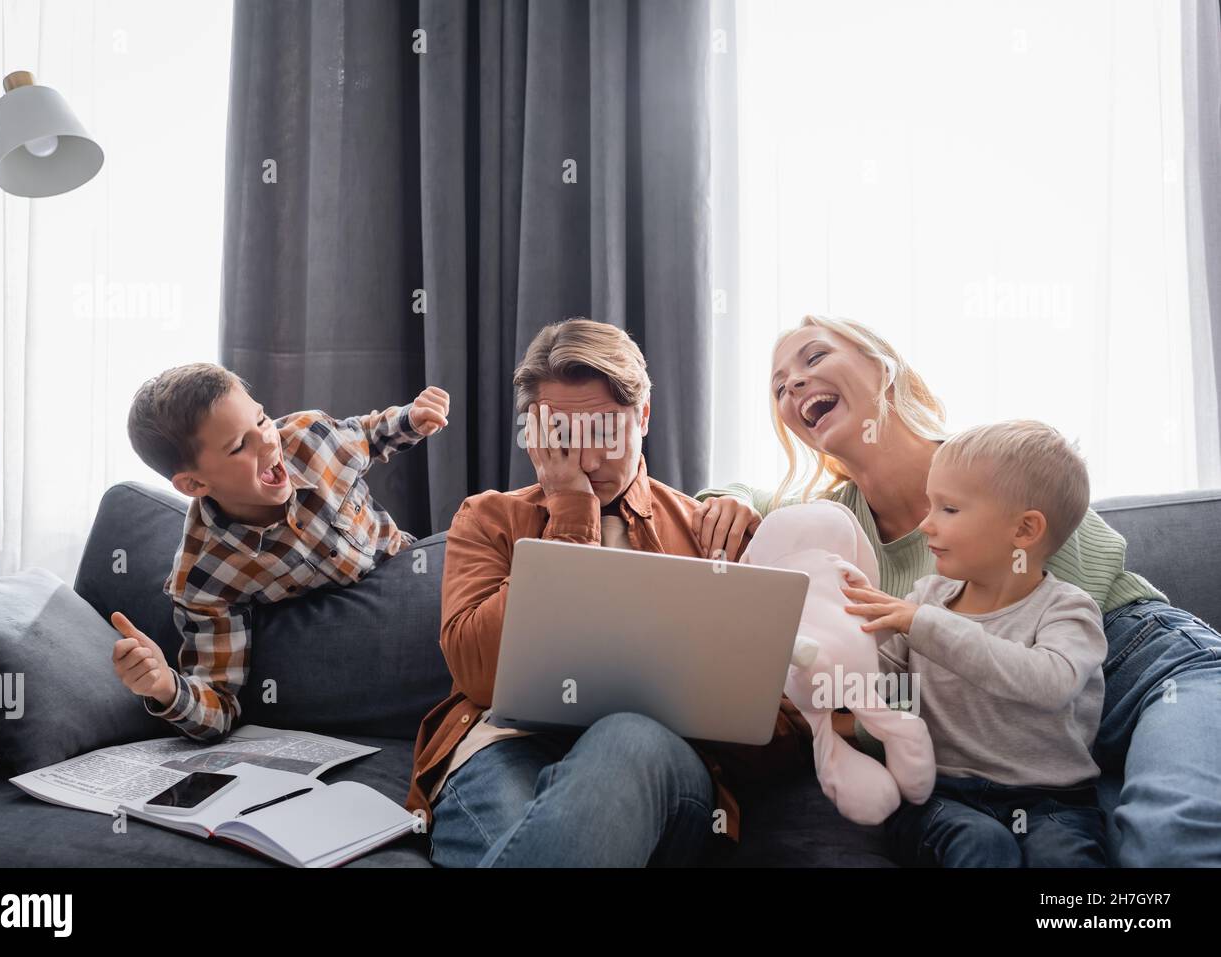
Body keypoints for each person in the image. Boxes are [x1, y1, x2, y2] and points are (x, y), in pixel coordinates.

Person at [695, 314, 1221, 866]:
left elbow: (1074, 588)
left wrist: (931, 648)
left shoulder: (984, 462)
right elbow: (747, 502)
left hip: (1142, 664)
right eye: (778, 386)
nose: (793, 385)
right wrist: (730, 497)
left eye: (815, 358)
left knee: (1171, 833)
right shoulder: (831, 525)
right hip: (1024, 737)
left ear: (882, 367)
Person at [406, 317, 817, 867]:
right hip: (506, 747)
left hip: (650, 762)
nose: (590, 462)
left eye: (606, 433)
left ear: (643, 416)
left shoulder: (706, 530)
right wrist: (571, 516)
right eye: (566, 439)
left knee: (625, 736)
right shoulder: (489, 518)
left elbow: (784, 733)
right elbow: (479, 673)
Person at [109, 361, 448, 741]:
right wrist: (166, 689)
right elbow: (219, 708)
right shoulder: (205, 576)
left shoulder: (309, 438)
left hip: (410, 573)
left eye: (262, 419)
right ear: (193, 483)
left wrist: (411, 419)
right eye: (239, 446)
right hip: (352, 641)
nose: (269, 441)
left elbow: (367, 436)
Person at [842, 420, 1107, 867]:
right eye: (930, 505)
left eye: (948, 509)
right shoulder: (925, 599)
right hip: (943, 793)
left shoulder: (1067, 610)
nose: (925, 524)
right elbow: (876, 682)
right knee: (981, 847)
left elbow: (1049, 683)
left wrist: (922, 625)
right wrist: (848, 631)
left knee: (1064, 860)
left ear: (1023, 531)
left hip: (1055, 802)